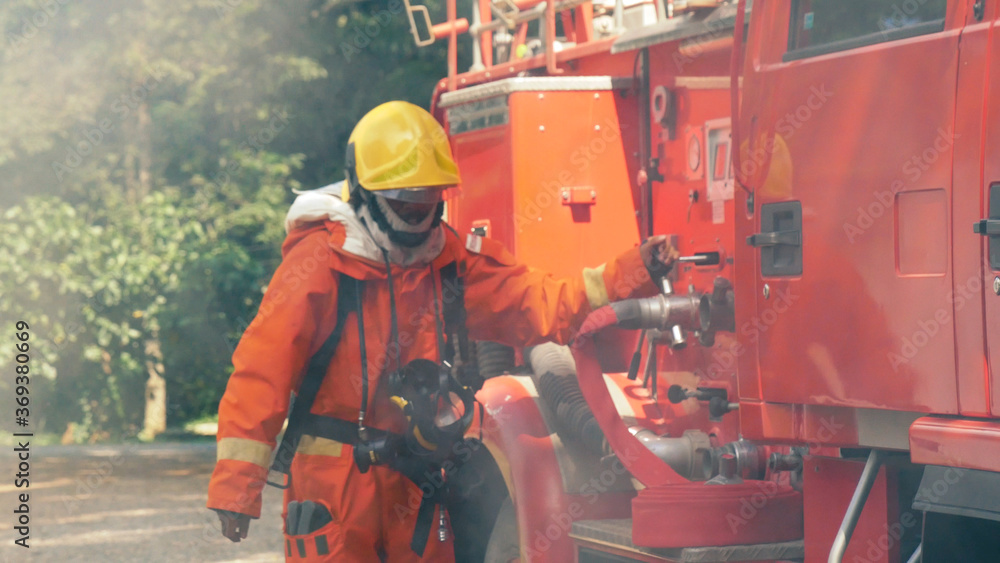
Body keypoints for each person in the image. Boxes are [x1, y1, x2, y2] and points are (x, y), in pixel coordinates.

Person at [206, 100, 677, 562]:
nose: (420, 216)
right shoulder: (321, 262)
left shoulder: (450, 261)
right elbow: (262, 371)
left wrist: (632, 270)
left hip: (419, 473)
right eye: (407, 205)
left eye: (430, 201)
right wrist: (236, 490)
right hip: (336, 482)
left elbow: (540, 303)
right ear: (366, 193)